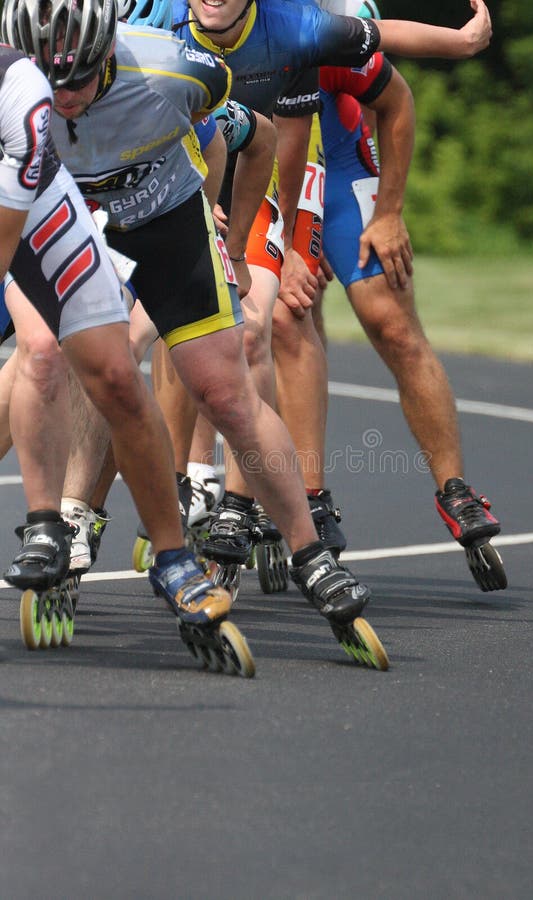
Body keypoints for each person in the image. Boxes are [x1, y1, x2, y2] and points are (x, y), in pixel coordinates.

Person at [3, 0, 380, 661]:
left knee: (226, 392)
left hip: (168, 220)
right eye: (50, 81)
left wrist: (227, 240)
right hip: (64, 225)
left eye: (82, 81)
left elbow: (248, 136)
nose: (64, 100)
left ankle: (310, 552)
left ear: (111, 55)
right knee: (45, 360)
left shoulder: (176, 69)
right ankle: (57, 521)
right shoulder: (12, 87)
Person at [167, 0, 493, 561]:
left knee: (380, 320)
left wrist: (387, 212)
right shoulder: (197, 17)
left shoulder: (315, 23)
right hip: (232, 157)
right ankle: (204, 481)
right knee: (245, 317)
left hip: (325, 165)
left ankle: (448, 488)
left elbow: (393, 98)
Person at [0, 38, 237, 656]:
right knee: (44, 357)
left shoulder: (50, 89)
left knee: (88, 364)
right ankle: (62, 519)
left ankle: (137, 542)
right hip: (22, 193)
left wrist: (204, 222)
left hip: (54, 209)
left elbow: (232, 135)